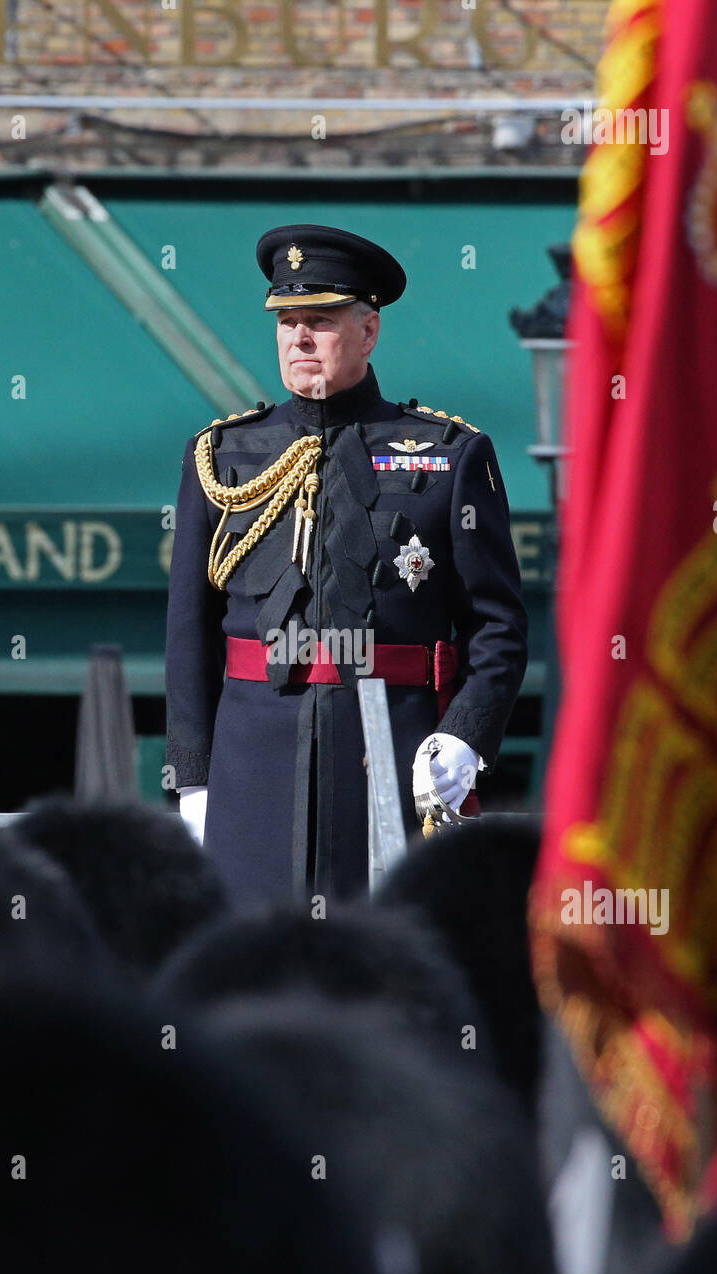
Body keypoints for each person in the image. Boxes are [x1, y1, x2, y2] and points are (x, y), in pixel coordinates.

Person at [164, 224, 528, 905]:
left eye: (321, 322)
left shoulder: (450, 454)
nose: (300, 339)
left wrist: (465, 739)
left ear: (369, 330)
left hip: (395, 745)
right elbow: (189, 628)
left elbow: (498, 626)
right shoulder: (223, 456)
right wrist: (193, 777)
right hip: (252, 759)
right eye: (288, 322)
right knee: (254, 973)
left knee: (387, 959)